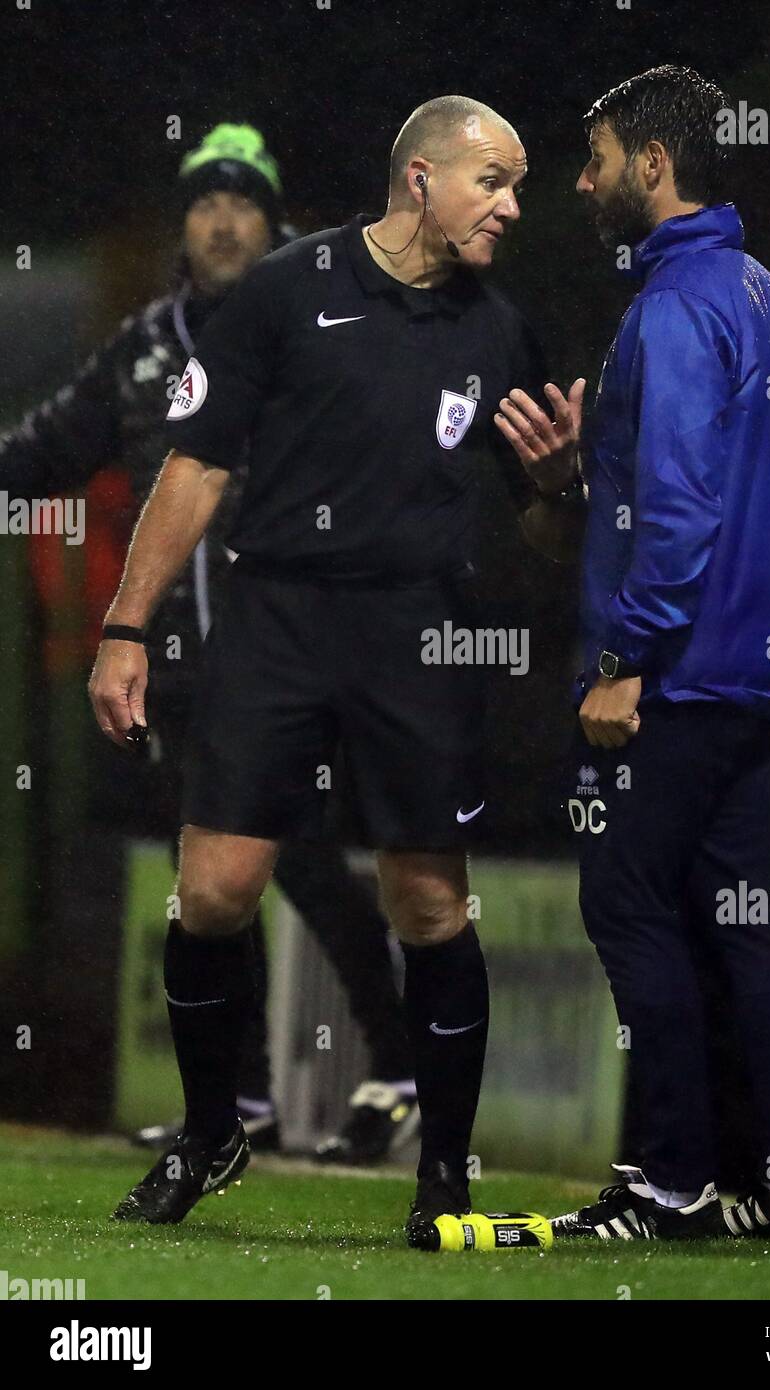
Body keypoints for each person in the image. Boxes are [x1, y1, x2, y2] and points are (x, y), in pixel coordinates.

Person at [88, 96, 583, 1243]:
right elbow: (197, 465)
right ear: (420, 179)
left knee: (427, 903)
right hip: (276, 618)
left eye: (515, 186)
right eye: (493, 183)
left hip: (418, 632)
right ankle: (215, 1130)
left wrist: (561, 485)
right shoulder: (286, 290)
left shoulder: (502, 329)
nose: (512, 207)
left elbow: (548, 536)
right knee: (212, 891)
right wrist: (126, 628)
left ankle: (442, 1176)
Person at [0, 122, 419, 1162]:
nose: (223, 218)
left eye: (242, 200)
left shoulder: (314, 330)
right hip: (176, 669)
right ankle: (245, 1099)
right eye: (203, 201)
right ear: (182, 227)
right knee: (220, 882)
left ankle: (399, 1062)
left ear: (274, 221)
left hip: (285, 654)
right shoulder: (144, 345)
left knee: (303, 862)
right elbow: (47, 448)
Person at [495, 66, 770, 1241]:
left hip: (679, 679)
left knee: (628, 899)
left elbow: (684, 513)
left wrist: (626, 657)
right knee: (740, 920)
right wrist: (603, 481)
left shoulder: (677, 306)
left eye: (594, 157)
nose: (582, 180)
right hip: (758, 680)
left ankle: (668, 1185)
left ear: (653, 162)